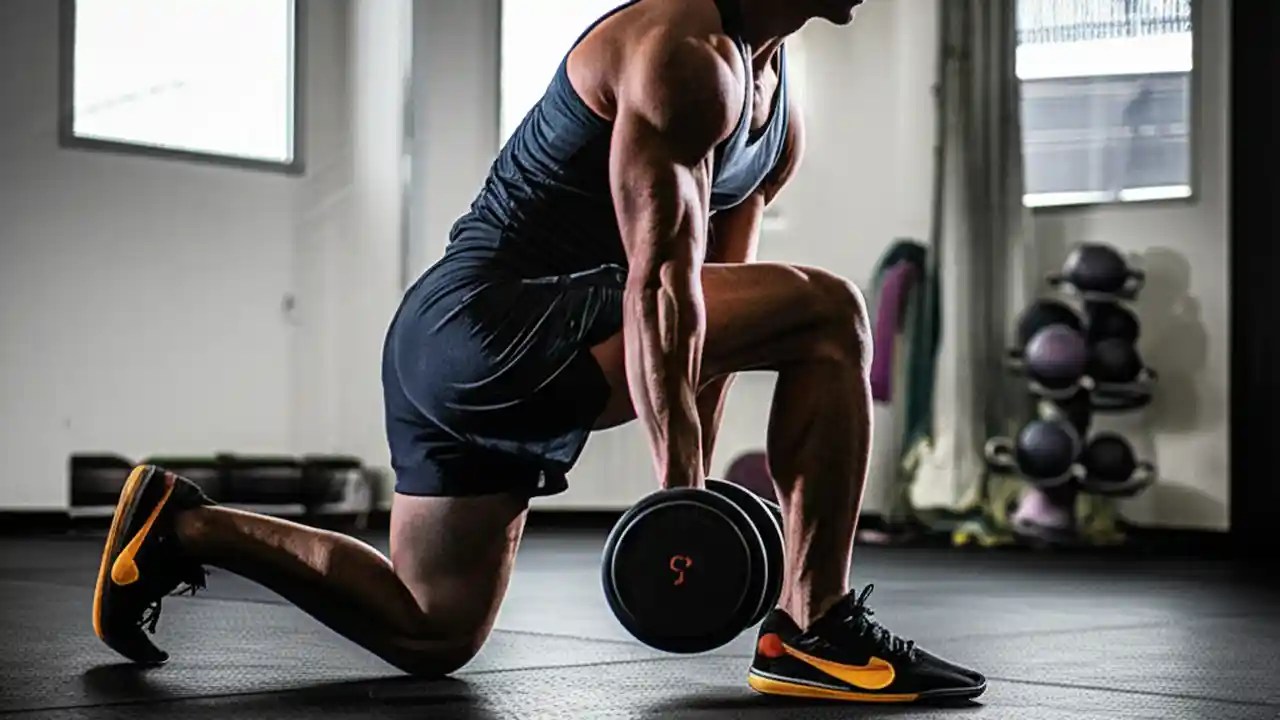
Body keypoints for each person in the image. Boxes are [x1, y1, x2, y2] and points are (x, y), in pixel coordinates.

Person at [92, 0, 985, 704]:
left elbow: (713, 316)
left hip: (470, 347)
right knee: (832, 311)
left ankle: (181, 525)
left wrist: (702, 489)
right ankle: (814, 627)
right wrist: (683, 496)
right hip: (484, 327)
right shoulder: (685, 52)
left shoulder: (774, 106)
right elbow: (661, 291)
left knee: (430, 631)